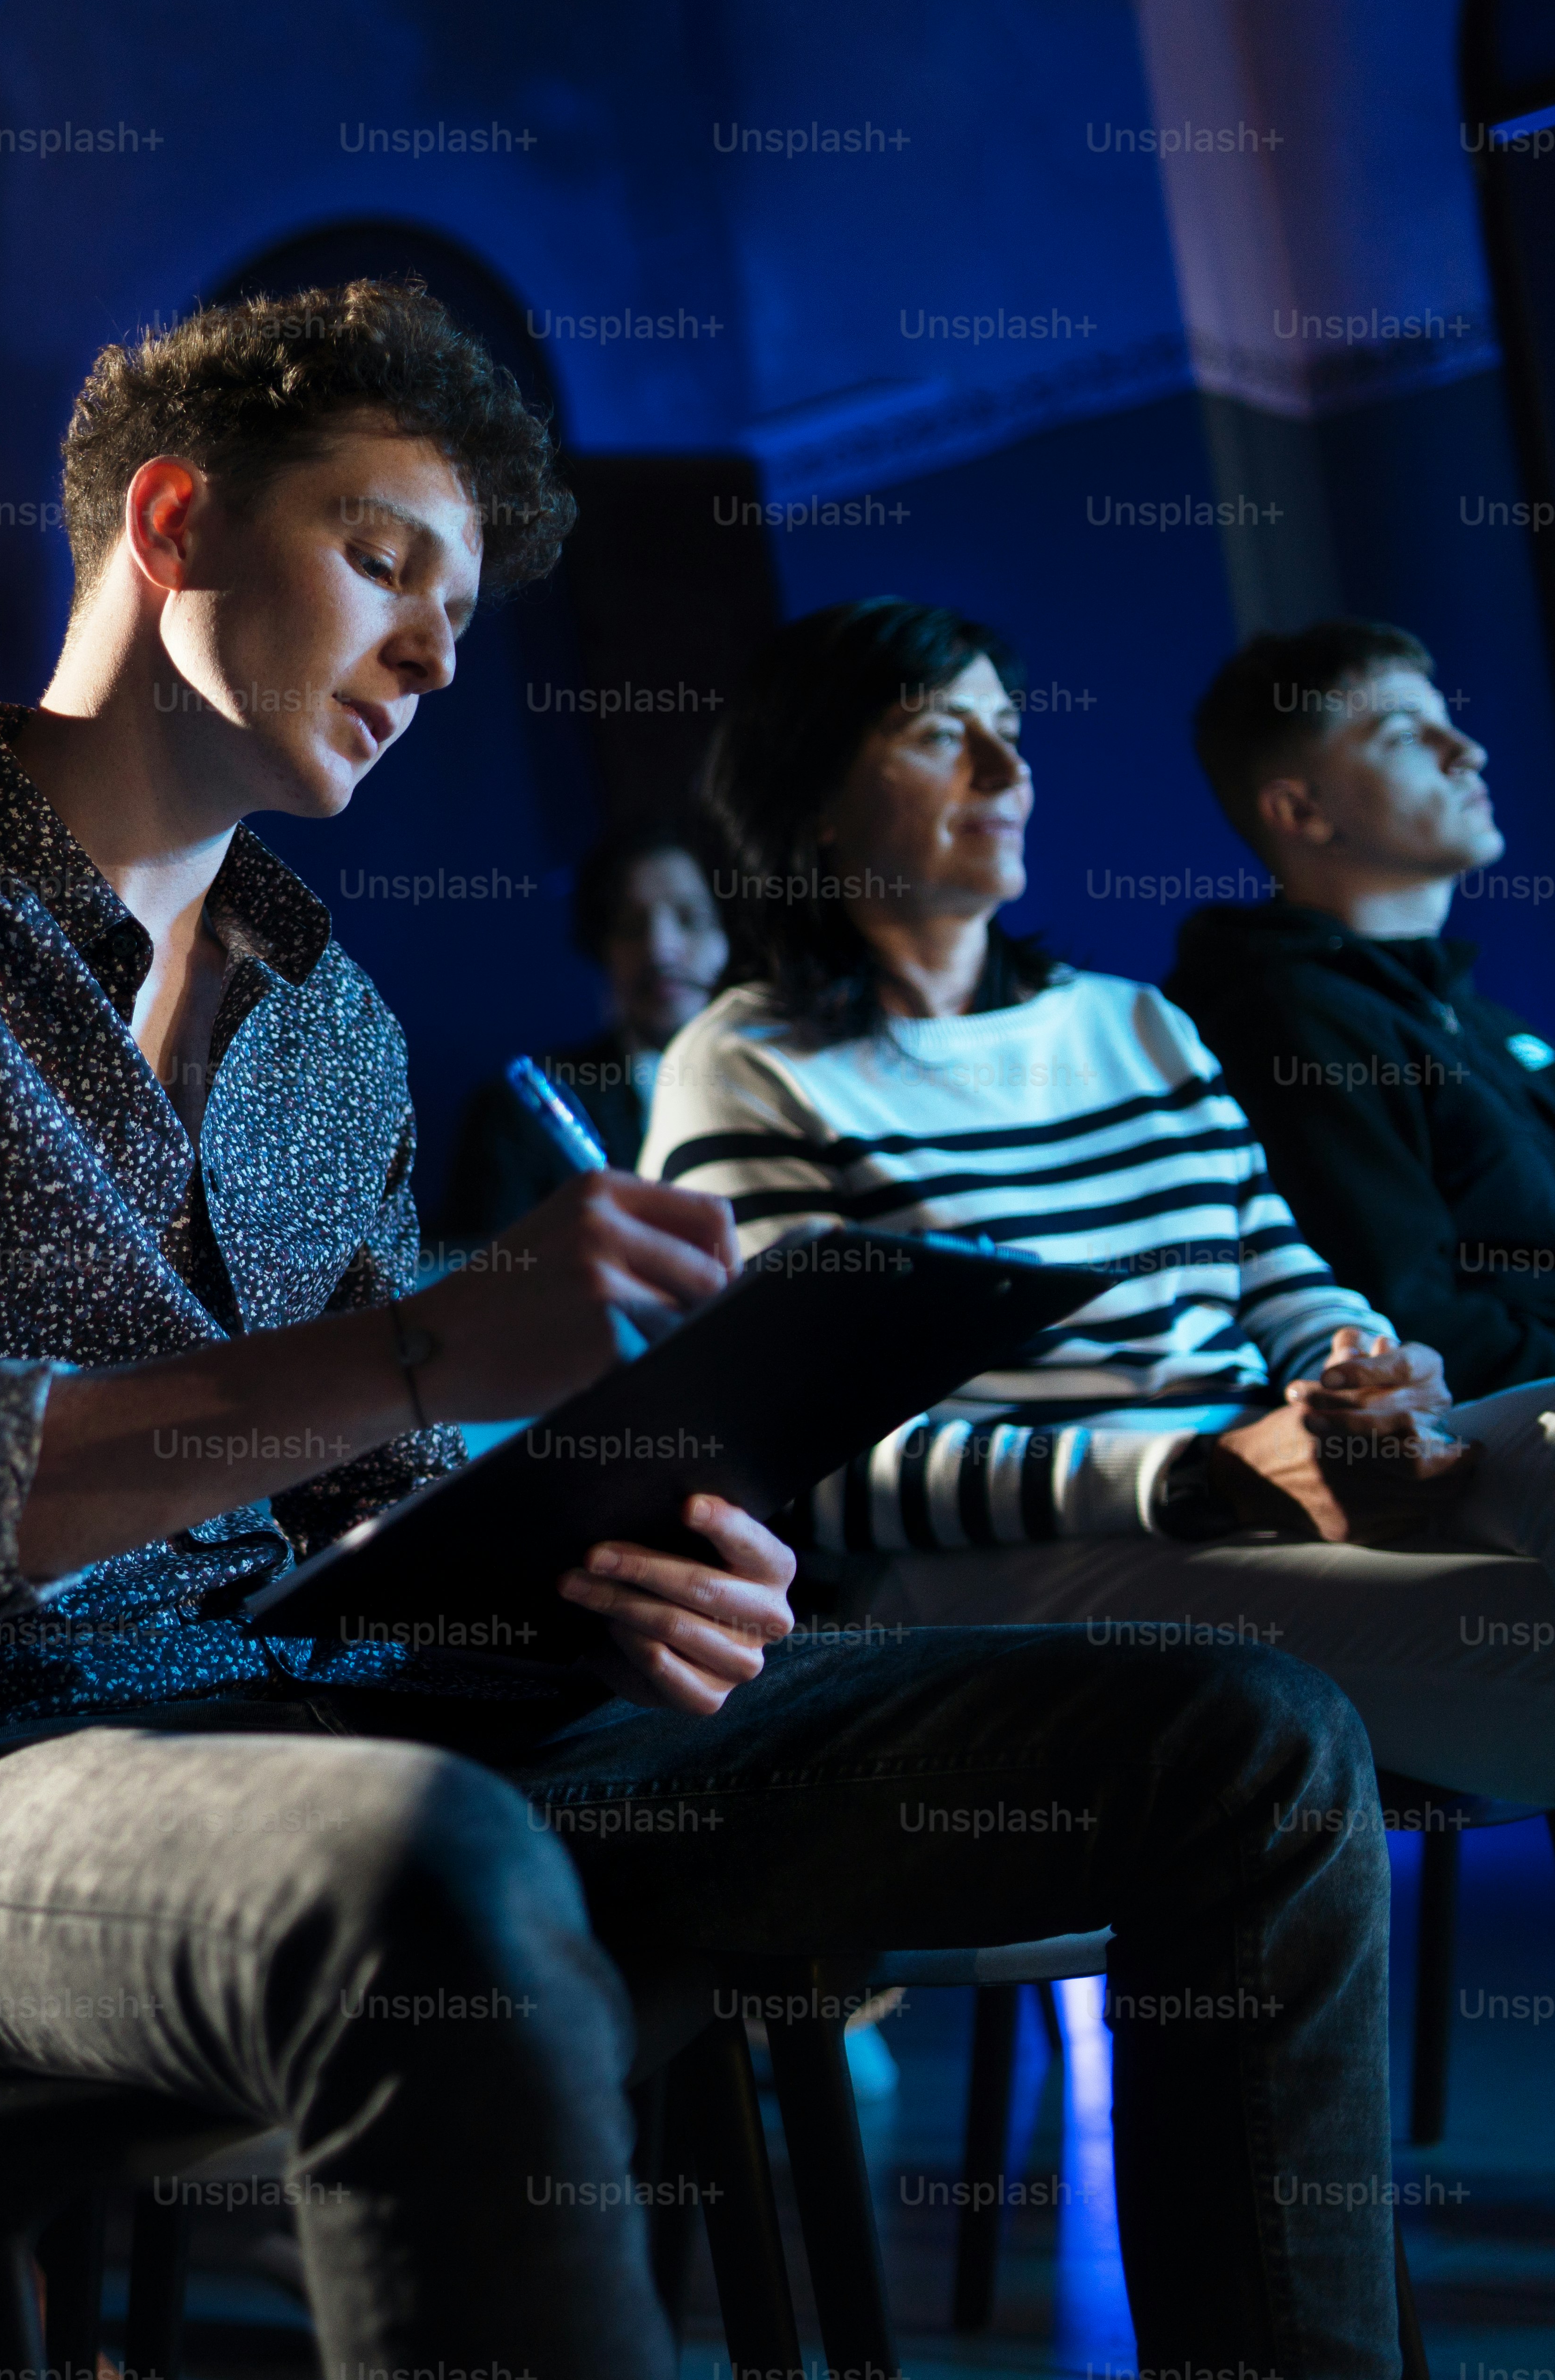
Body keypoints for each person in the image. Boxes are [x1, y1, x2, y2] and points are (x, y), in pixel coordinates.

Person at [0, 283, 1408, 2375]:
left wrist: (618, 1574)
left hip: (355, 1732)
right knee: (421, 1869)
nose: (435, 653)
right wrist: (419, 1355)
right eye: (379, 560)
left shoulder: (330, 1025)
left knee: (1246, 1741)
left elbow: (377, 1529)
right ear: (173, 522)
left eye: (456, 606)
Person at [647, 595, 1555, 1807]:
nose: (1010, 768)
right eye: (939, 734)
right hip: (1012, 1569)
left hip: (1261, 1481)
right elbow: (810, 1468)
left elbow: (1280, 1277)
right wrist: (1188, 1474)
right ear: (809, 798)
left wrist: (1363, 1365)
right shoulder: (749, 1062)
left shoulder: (1130, 1021)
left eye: (1010, 726)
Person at [1166, 620, 1555, 1397]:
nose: (1465, 752)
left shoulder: (1475, 1017)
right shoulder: (1283, 1016)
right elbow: (1410, 1320)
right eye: (1406, 735)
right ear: (1303, 812)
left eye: (1450, 721)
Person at [435, 827, 729, 1241]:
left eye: (690, 919)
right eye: (630, 926)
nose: (661, 949)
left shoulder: (783, 1087)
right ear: (600, 946)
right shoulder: (519, 1113)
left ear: (731, 936)